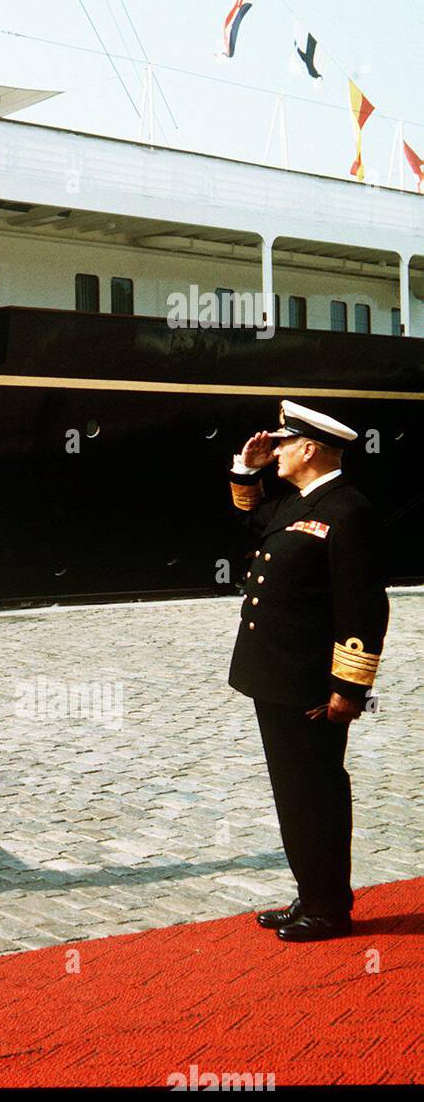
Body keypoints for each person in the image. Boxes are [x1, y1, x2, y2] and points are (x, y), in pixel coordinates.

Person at [228, 399, 389, 942]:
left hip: (309, 685)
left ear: (308, 448)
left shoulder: (348, 510)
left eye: (281, 444)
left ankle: (327, 909)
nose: (274, 451)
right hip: (277, 678)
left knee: (313, 792)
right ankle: (314, 893)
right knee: (294, 792)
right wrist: (245, 470)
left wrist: (350, 687)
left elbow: (363, 606)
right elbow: (255, 523)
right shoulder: (301, 502)